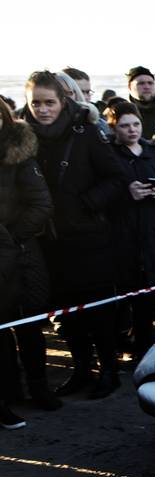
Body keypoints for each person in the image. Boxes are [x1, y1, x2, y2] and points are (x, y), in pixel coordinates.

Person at [21, 71, 126, 399]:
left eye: (49, 102)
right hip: (49, 241)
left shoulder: (86, 133)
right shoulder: (23, 138)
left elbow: (116, 178)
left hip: (88, 237)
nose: (43, 109)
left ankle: (109, 370)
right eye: (35, 102)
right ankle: (81, 370)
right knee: (66, 312)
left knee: (98, 309)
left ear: (62, 100)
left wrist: (87, 203)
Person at [107, 101, 155, 360]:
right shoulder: (109, 156)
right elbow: (100, 198)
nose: (131, 130)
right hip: (121, 237)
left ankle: (143, 349)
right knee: (120, 298)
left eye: (136, 124)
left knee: (148, 297)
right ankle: (118, 346)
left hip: (153, 234)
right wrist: (127, 195)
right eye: (124, 126)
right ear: (114, 128)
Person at [0, 98, 59, 424]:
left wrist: (10, 238)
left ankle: (39, 388)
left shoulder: (19, 154)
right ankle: (10, 392)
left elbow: (41, 204)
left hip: (22, 250)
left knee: (28, 322)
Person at [124, 66, 155, 140]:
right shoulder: (122, 110)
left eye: (150, 83)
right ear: (129, 87)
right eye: (141, 83)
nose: (147, 87)